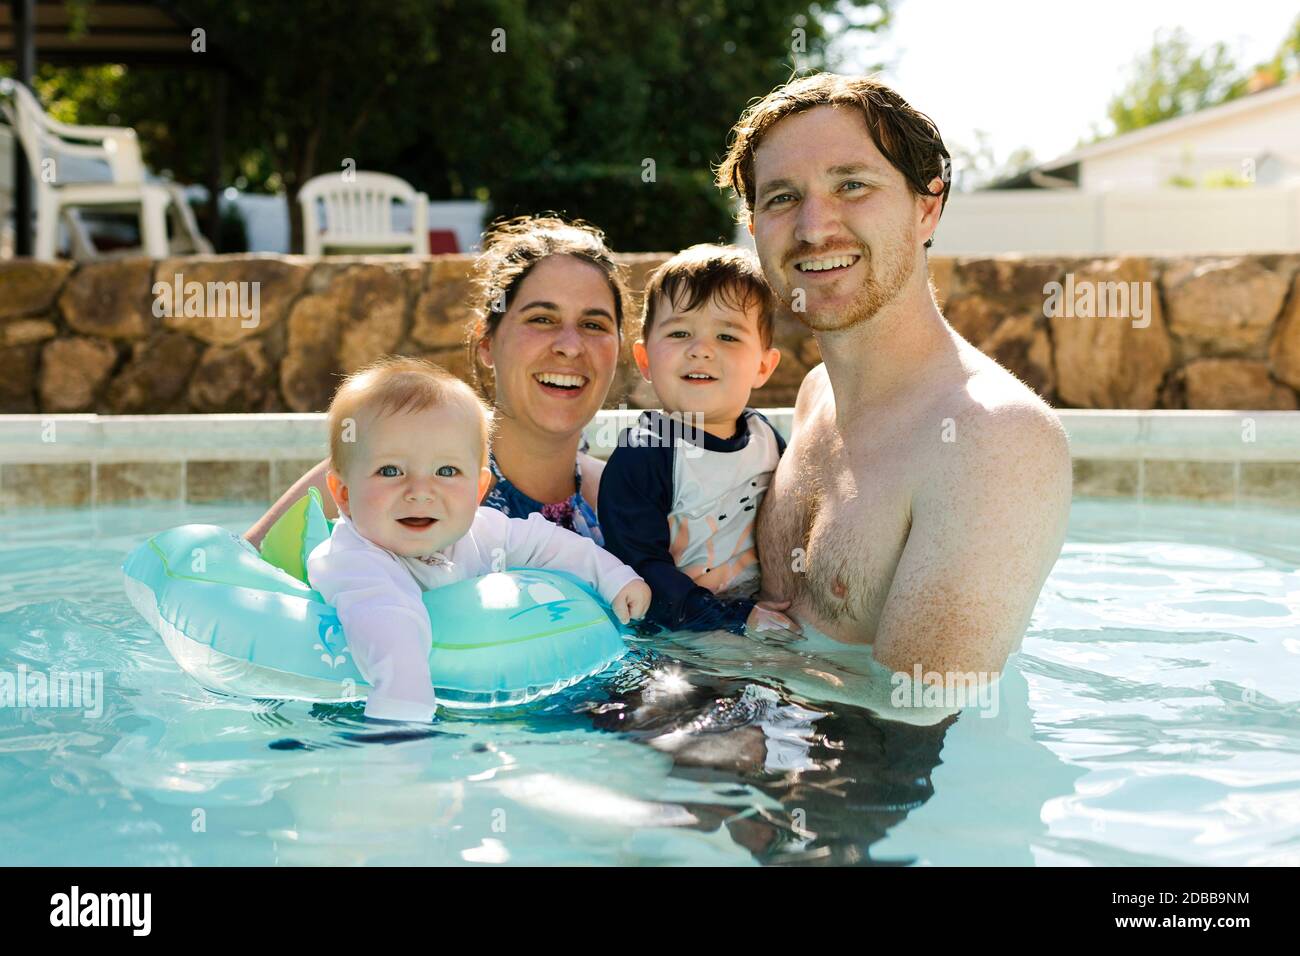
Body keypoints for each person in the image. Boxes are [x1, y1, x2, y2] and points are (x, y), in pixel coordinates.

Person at [715, 73, 1072, 685]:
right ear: (755, 229)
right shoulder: (814, 398)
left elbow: (915, 719)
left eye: (851, 185)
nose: (813, 227)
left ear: (926, 208)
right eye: (781, 198)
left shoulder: (996, 438)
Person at [245, 214, 627, 549]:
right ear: (487, 343)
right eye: (542, 319)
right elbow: (232, 577)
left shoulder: (628, 506)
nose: (570, 347)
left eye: (593, 325)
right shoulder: (382, 472)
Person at [305, 357, 650, 722]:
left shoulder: (481, 531)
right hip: (350, 710)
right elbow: (391, 637)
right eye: (390, 470)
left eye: (447, 471)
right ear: (343, 494)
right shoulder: (355, 563)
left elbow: (544, 542)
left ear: (478, 489)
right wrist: (401, 734)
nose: (421, 492)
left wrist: (615, 577)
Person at [598, 244, 798, 636]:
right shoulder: (645, 454)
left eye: (727, 336)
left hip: (757, 628)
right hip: (675, 640)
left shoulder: (767, 442)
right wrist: (732, 618)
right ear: (645, 360)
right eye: (679, 332)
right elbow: (636, 566)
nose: (701, 349)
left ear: (763, 365)